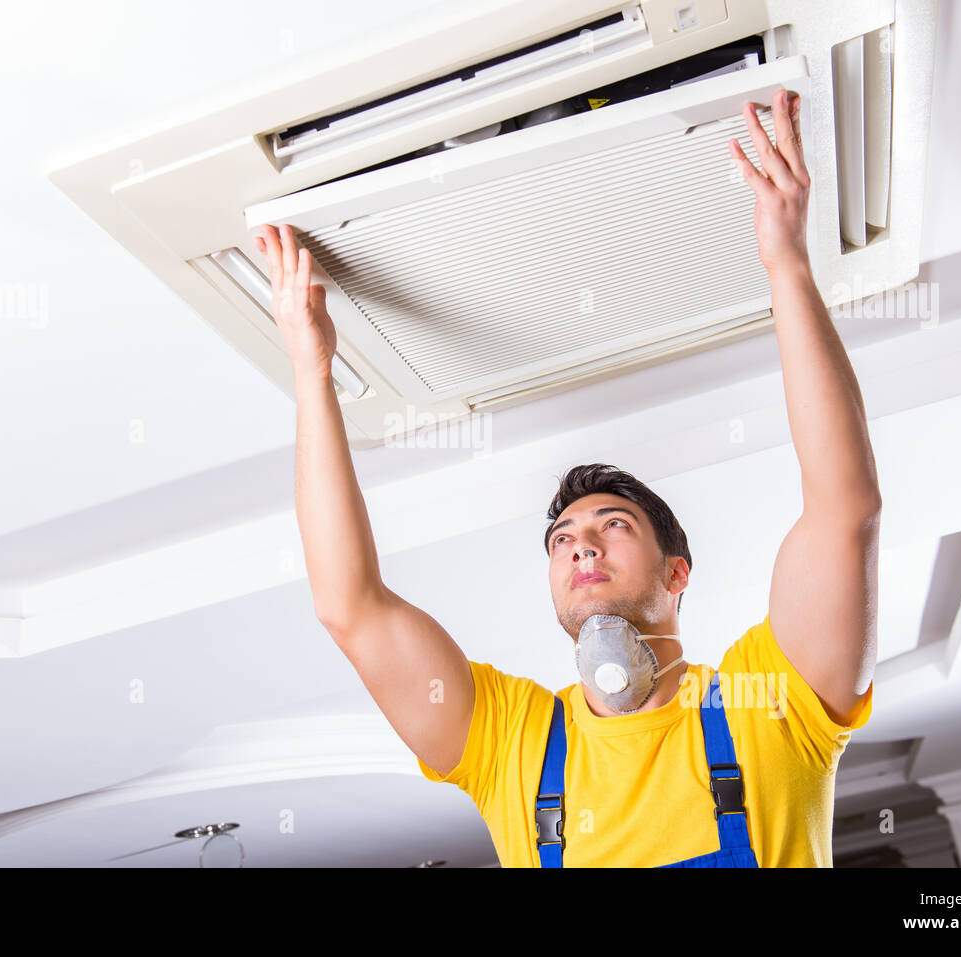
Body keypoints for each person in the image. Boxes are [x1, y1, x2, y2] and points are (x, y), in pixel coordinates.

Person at [251, 88, 880, 867]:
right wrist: (314, 371)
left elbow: (843, 508)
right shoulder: (513, 741)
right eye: (563, 538)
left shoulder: (767, 704)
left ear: (676, 571)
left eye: (613, 525)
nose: (581, 546)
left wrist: (786, 263)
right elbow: (350, 606)